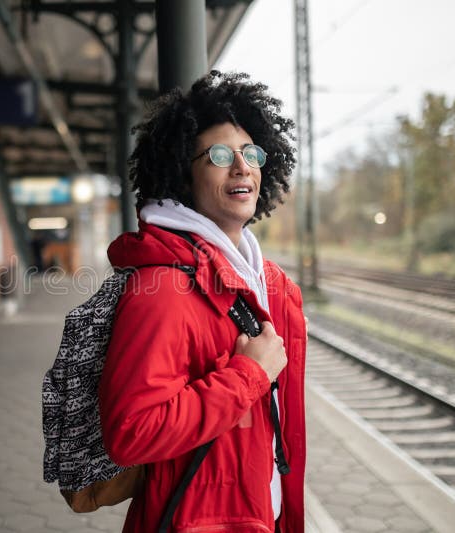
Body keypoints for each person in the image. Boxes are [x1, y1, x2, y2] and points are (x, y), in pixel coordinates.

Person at [98, 70, 307, 533]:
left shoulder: (270, 286)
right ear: (181, 172)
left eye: (251, 153)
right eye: (218, 155)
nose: (242, 167)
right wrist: (248, 375)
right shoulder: (163, 291)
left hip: (261, 514)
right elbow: (131, 433)